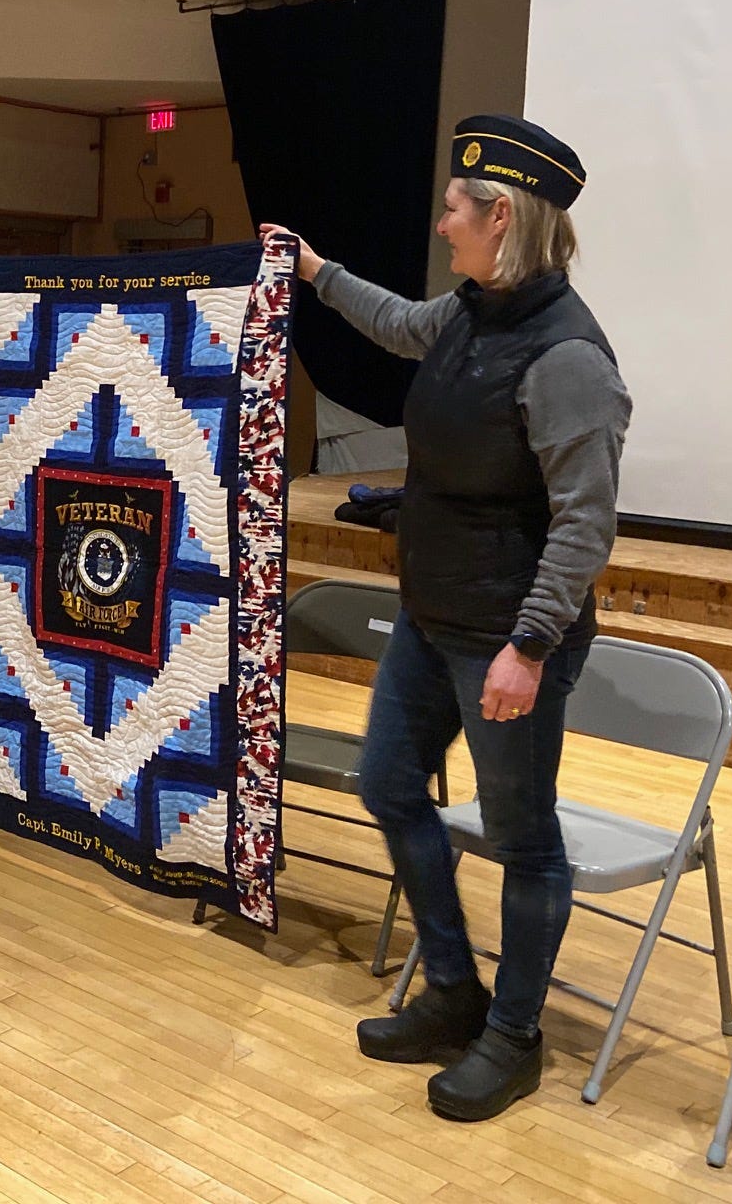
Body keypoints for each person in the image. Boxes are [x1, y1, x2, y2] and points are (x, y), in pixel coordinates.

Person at [262, 113, 631, 1122]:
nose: (442, 222)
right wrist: (316, 270)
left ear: (501, 215)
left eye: (457, 208)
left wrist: (530, 645)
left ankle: (512, 1034)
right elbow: (398, 322)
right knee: (389, 786)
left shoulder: (567, 358)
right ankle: (455, 990)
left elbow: (585, 525)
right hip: (433, 618)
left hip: (509, 639)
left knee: (523, 838)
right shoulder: (472, 315)